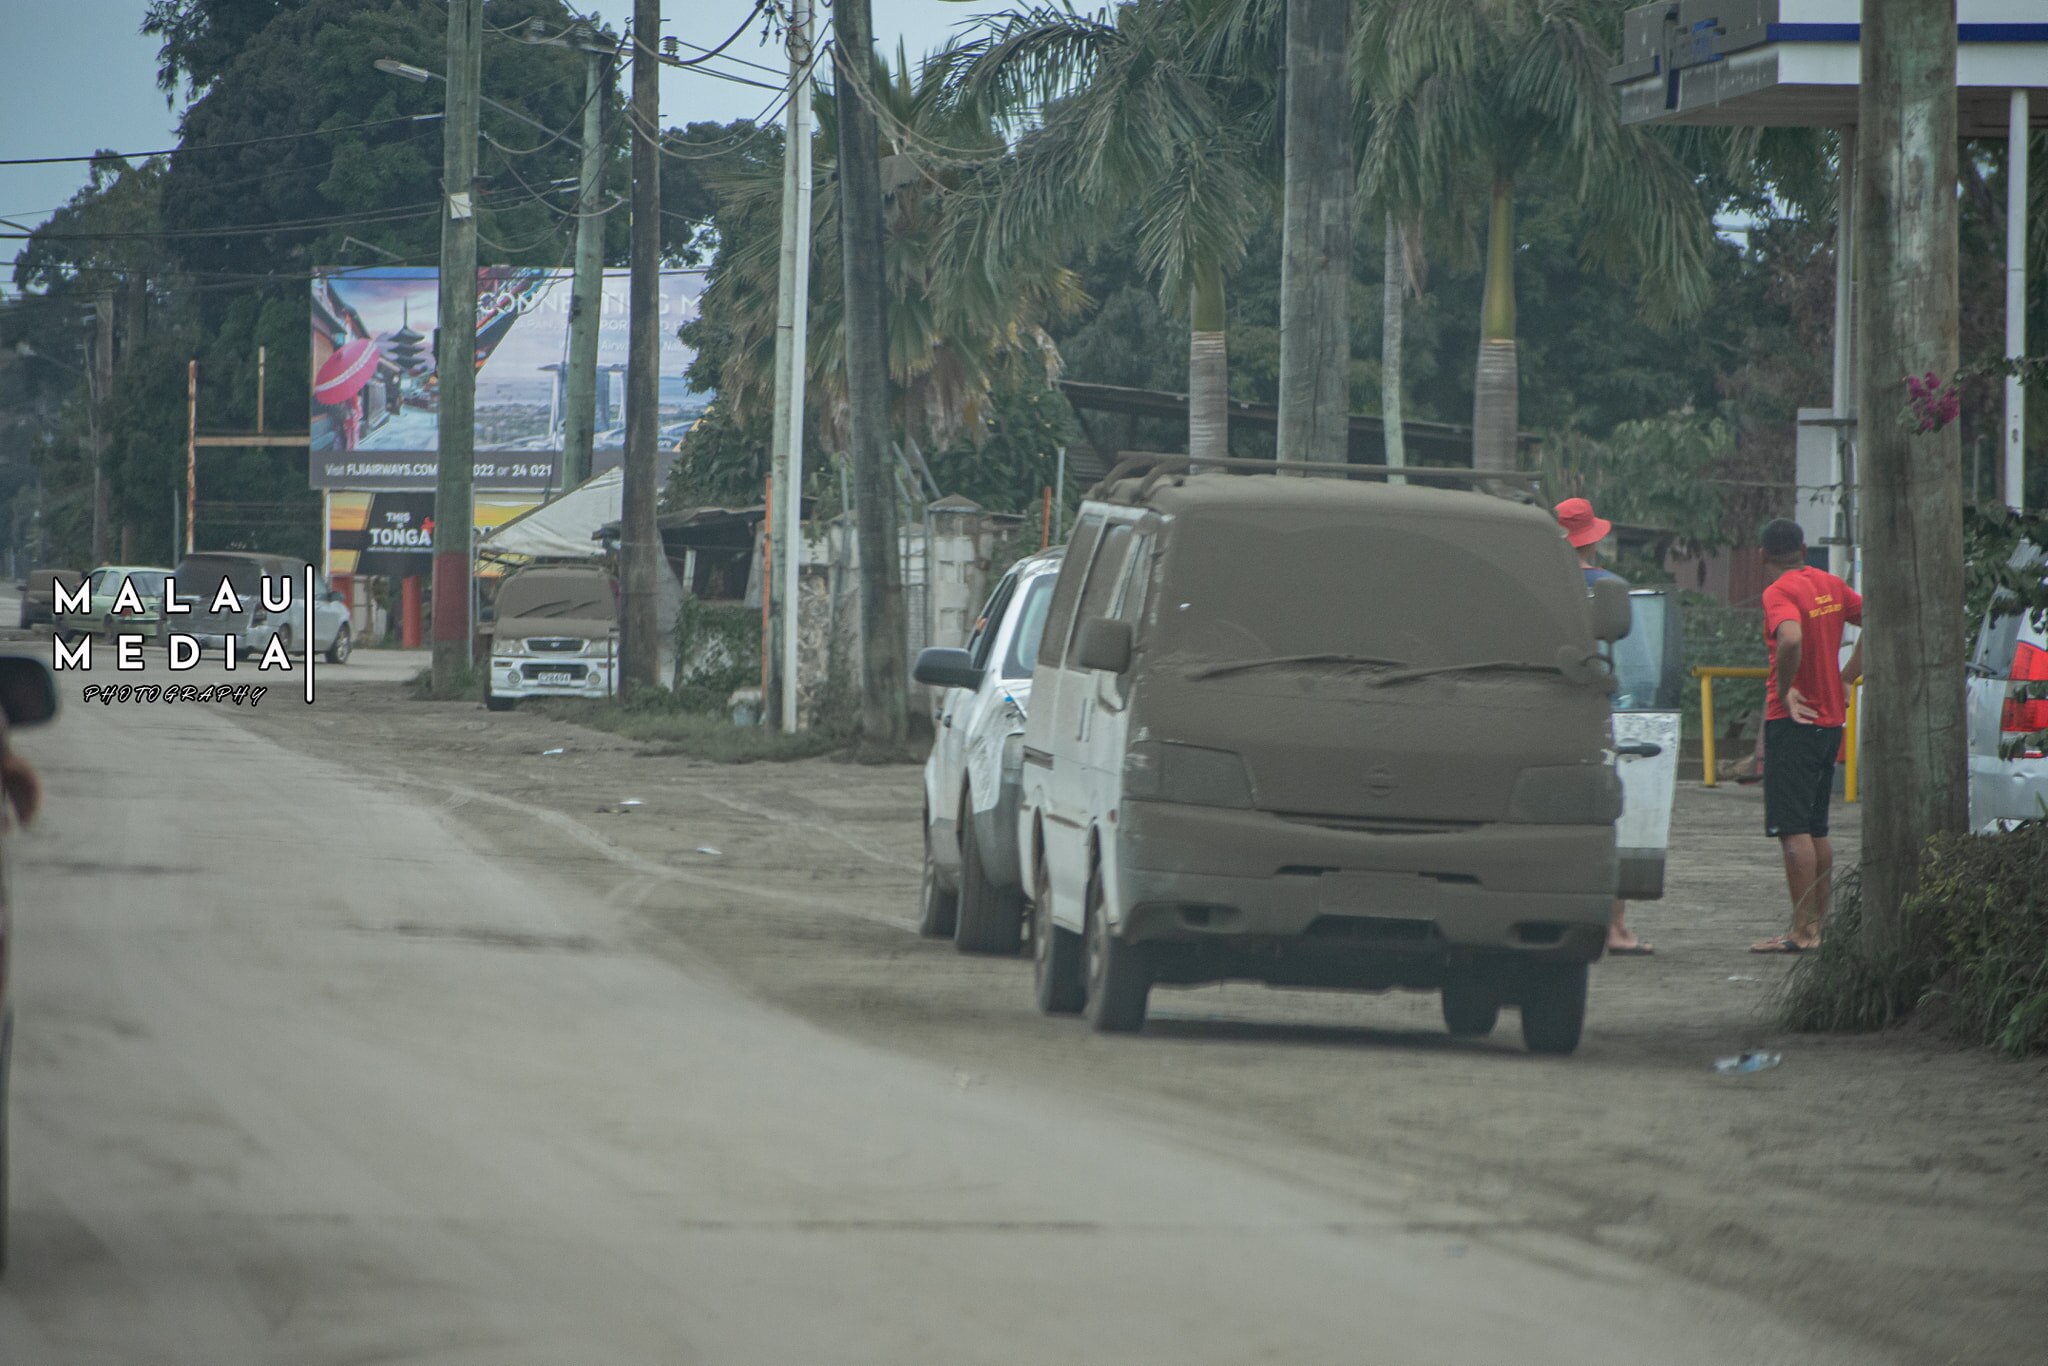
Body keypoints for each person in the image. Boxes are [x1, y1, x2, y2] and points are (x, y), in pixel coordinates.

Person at [1750, 519, 1862, 953]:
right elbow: (1876, 618)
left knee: (1793, 828)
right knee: (1816, 827)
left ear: (1763, 555)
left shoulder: (1778, 592)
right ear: (1802, 548)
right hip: (1830, 722)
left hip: (1794, 722)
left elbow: (1791, 637)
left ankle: (1803, 932)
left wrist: (1784, 689)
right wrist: (1847, 677)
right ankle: (1817, 927)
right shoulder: (1830, 584)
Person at [1555, 497, 1650, 955]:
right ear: (1592, 539)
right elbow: (1640, 670)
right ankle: (1614, 927)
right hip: (1600, 719)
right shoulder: (1613, 589)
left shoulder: (1541, 586)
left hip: (1542, 716)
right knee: (1608, 819)